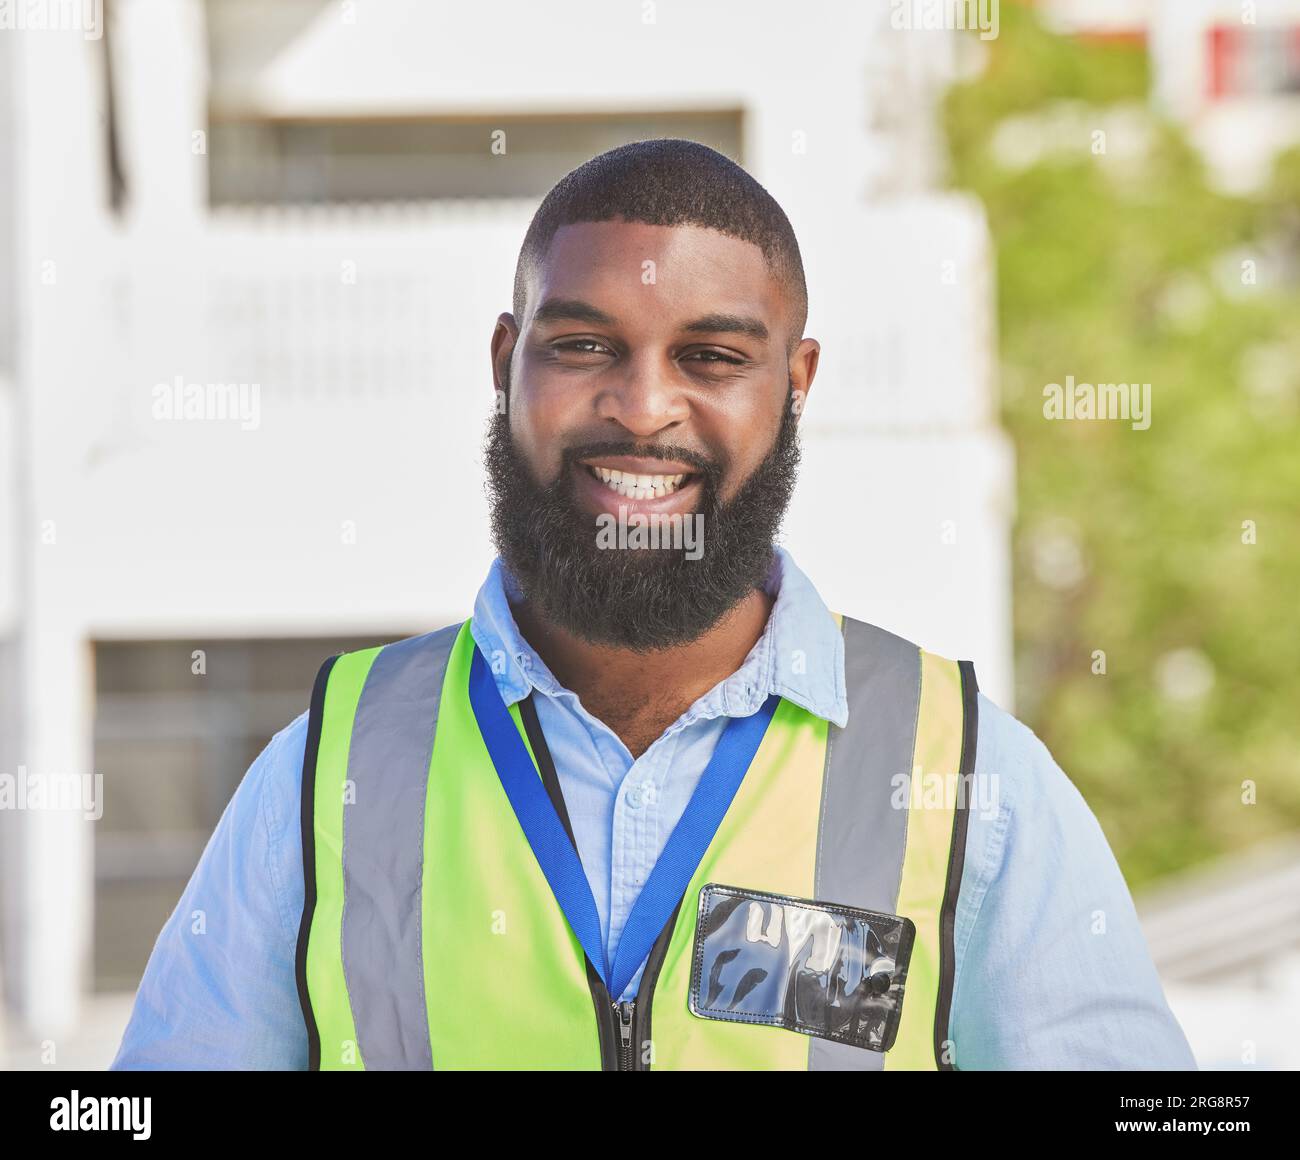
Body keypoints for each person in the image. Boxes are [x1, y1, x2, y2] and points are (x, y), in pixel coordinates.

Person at [112, 139, 1195, 1071]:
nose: (641, 407)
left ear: (795, 382)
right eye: (584, 345)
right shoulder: (326, 776)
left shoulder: (967, 781)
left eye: (711, 357)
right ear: (507, 360)